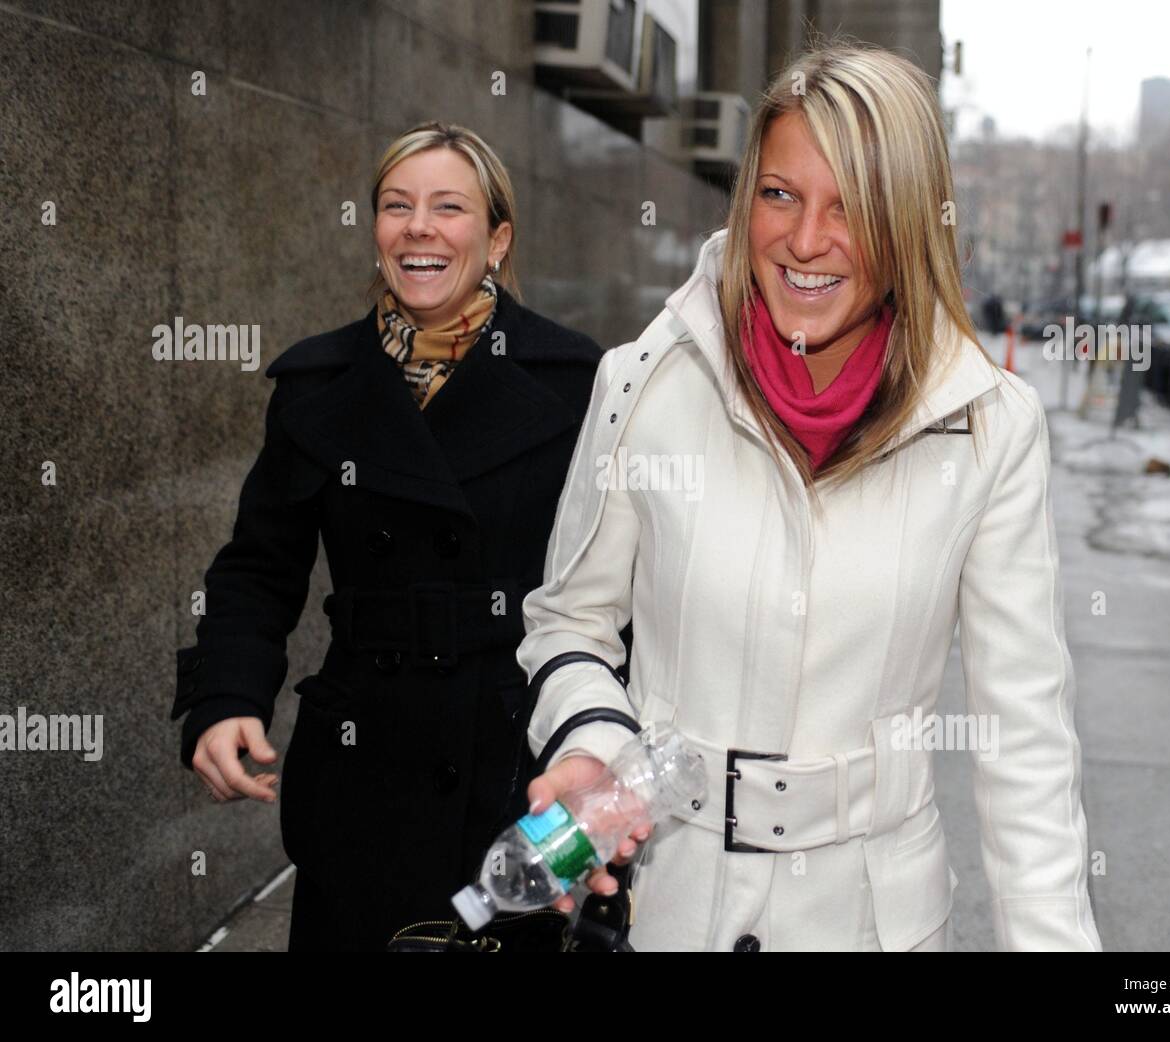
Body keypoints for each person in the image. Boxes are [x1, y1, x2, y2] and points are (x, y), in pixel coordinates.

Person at [519, 42, 1103, 952]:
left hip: (876, 925)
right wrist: (590, 739)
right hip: (674, 912)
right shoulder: (641, 384)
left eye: (850, 209)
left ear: (907, 224)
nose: (802, 241)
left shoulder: (992, 427)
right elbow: (569, 622)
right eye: (779, 194)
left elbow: (1022, 739)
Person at [170, 120, 607, 951]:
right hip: (361, 765)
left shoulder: (574, 380)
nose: (419, 227)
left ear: (496, 237)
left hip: (514, 762)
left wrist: (608, 765)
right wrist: (226, 698)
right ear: (375, 231)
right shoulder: (318, 384)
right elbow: (259, 569)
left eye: (449, 207)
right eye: (397, 206)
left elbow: (613, 590)